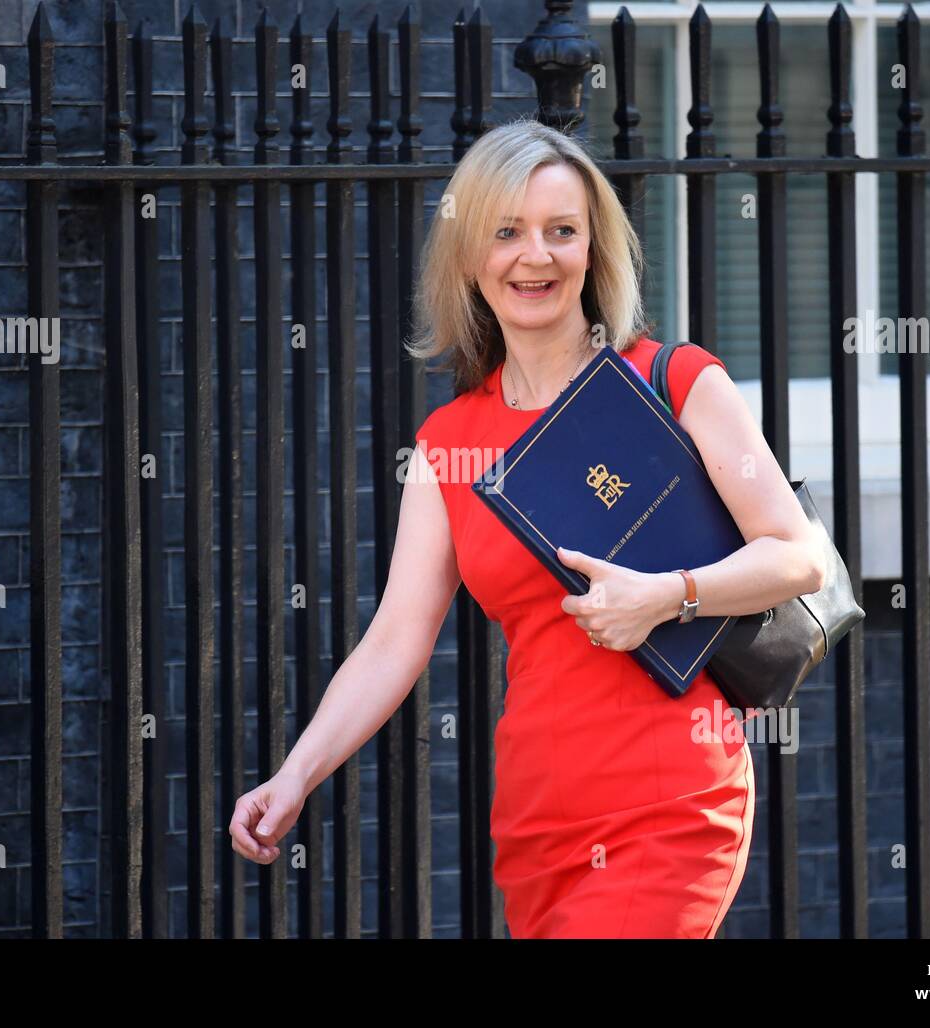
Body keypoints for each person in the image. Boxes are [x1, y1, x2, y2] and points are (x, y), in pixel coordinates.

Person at [229, 116, 826, 938]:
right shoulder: (448, 444)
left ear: (593, 249)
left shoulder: (673, 380)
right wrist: (294, 777)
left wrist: (667, 596)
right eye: (507, 232)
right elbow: (396, 638)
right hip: (538, 819)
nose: (535, 255)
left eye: (562, 231)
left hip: (671, 801)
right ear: (471, 257)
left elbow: (797, 558)